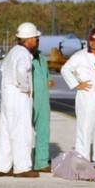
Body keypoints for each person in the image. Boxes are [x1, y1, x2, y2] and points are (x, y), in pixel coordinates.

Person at [0, 23, 41, 178]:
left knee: (6, 131)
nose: (37, 41)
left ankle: (2, 166)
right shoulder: (23, 54)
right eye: (35, 38)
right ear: (28, 39)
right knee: (22, 131)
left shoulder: (12, 52)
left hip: (7, 96)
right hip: (18, 96)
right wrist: (25, 87)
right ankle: (22, 167)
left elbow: (2, 71)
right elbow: (21, 71)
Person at [61, 27, 95, 166]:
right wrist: (76, 84)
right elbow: (65, 69)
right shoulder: (80, 55)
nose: (93, 43)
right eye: (91, 40)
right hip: (87, 97)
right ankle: (82, 159)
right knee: (85, 128)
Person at [31, 42, 53, 172]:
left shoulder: (42, 57)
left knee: (44, 131)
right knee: (24, 133)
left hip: (43, 99)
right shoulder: (24, 57)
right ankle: (22, 162)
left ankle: (42, 162)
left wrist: (49, 80)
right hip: (29, 99)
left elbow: (47, 75)